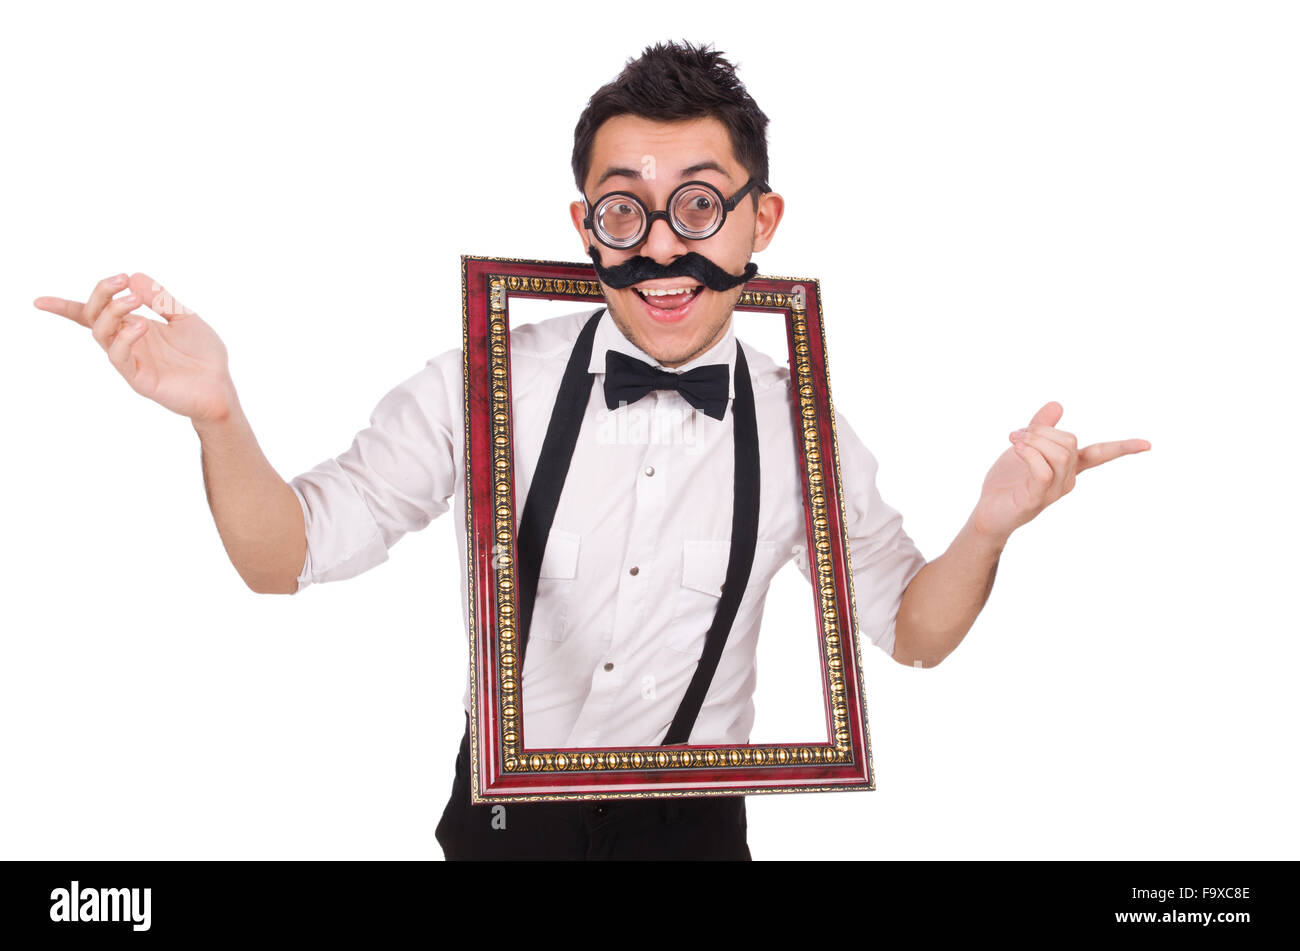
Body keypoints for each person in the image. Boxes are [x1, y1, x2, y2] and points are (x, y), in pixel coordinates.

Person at [32, 40, 1151, 861]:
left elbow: (912, 634)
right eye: (625, 210)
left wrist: (991, 525)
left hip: (697, 834)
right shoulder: (478, 384)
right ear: (584, 228)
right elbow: (285, 558)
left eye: (701, 206)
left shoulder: (804, 424)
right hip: (501, 821)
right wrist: (218, 415)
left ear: (762, 222)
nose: (662, 246)